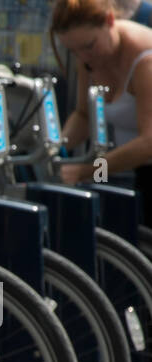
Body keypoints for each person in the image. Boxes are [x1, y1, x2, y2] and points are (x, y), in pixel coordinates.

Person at [51, 0, 152, 218]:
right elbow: (85, 116)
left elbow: (149, 143)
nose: (84, 57)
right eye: (73, 51)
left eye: (89, 46)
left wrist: (88, 171)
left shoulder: (146, 59)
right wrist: (56, 148)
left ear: (110, 21)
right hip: (132, 172)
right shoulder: (89, 56)